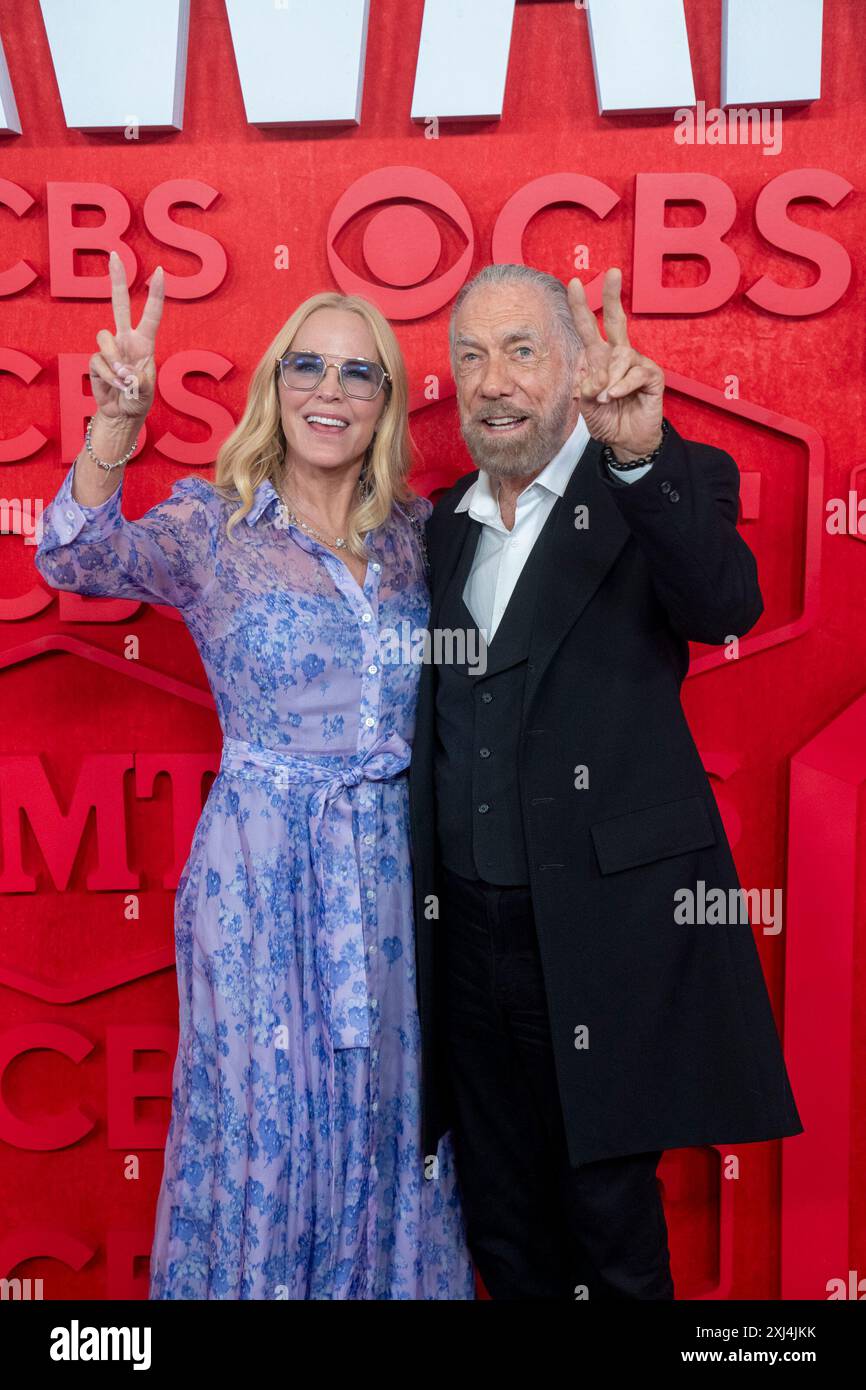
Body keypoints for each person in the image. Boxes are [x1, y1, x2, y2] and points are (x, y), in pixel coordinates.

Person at [34, 251, 474, 1300]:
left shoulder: (417, 536)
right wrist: (114, 427)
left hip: (393, 871)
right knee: (262, 1106)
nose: (331, 390)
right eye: (307, 367)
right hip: (261, 864)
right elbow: (72, 553)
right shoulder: (213, 523)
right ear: (275, 385)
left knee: (389, 1107)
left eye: (358, 373)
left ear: (386, 401)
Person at [408, 262, 804, 1300]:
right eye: (470, 356)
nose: (492, 381)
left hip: (600, 931)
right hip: (463, 941)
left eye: (521, 350)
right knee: (498, 1220)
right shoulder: (439, 523)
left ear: (579, 362)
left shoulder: (661, 478)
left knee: (608, 1227)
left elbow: (724, 606)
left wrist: (638, 457)